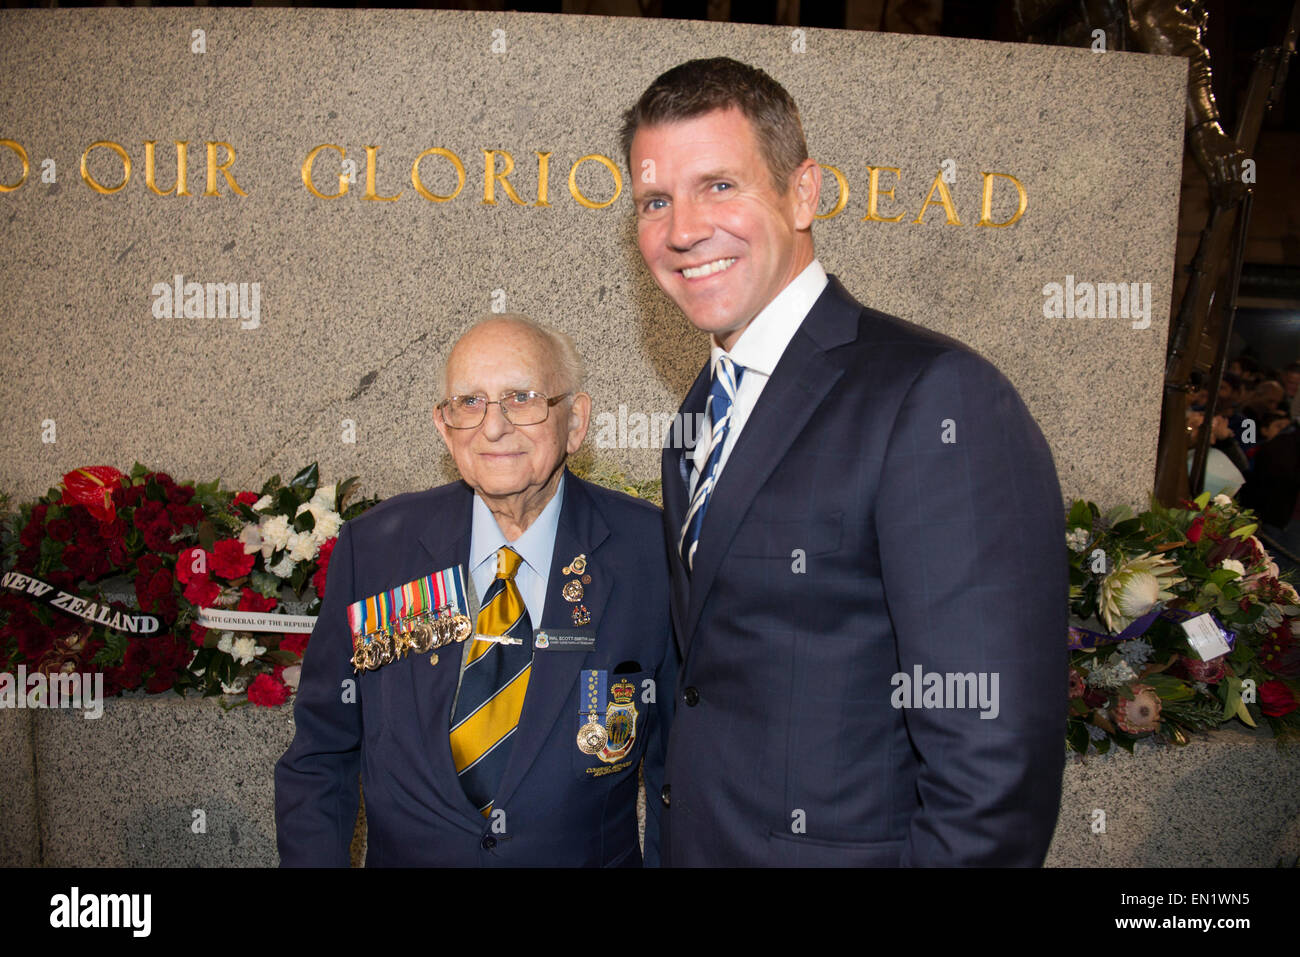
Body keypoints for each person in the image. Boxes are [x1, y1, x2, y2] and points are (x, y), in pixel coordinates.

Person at [622, 57, 1066, 866]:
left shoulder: (935, 395)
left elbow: (994, 766)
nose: (682, 228)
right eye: (656, 199)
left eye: (719, 185)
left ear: (803, 192)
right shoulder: (698, 413)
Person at [275, 314, 675, 866]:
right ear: (444, 428)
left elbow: (681, 774)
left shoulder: (650, 553)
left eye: (522, 397)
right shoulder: (377, 551)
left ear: (575, 422)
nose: (493, 427)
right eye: (469, 402)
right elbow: (321, 754)